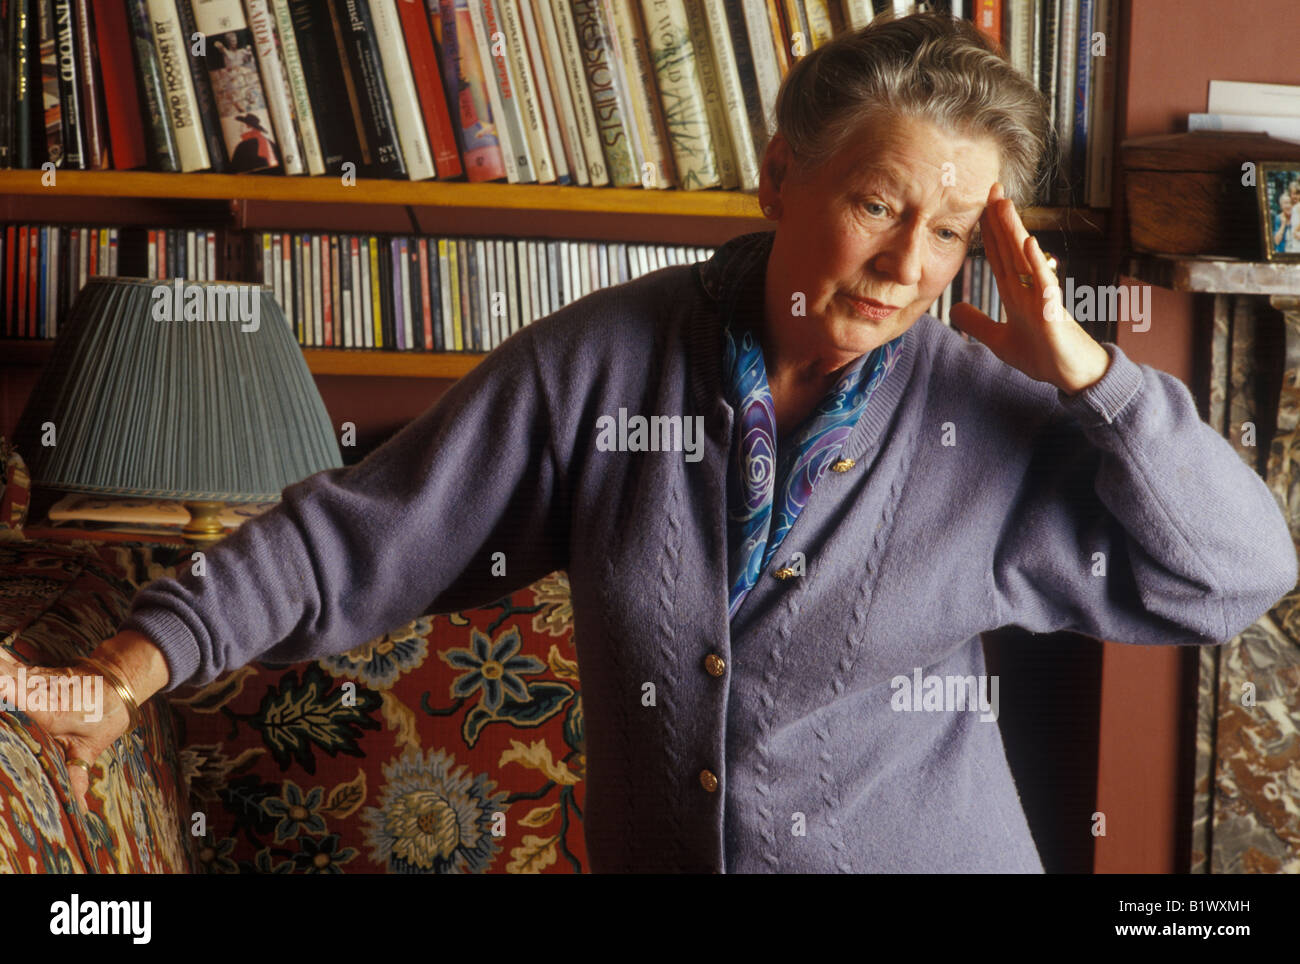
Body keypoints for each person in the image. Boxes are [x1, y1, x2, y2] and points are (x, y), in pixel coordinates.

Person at [12, 12, 1296, 873]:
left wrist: (1089, 372)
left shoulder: (993, 418)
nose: (910, 266)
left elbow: (1237, 575)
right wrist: (125, 672)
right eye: (875, 203)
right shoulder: (606, 361)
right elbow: (363, 538)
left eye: (951, 233)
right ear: (780, 176)